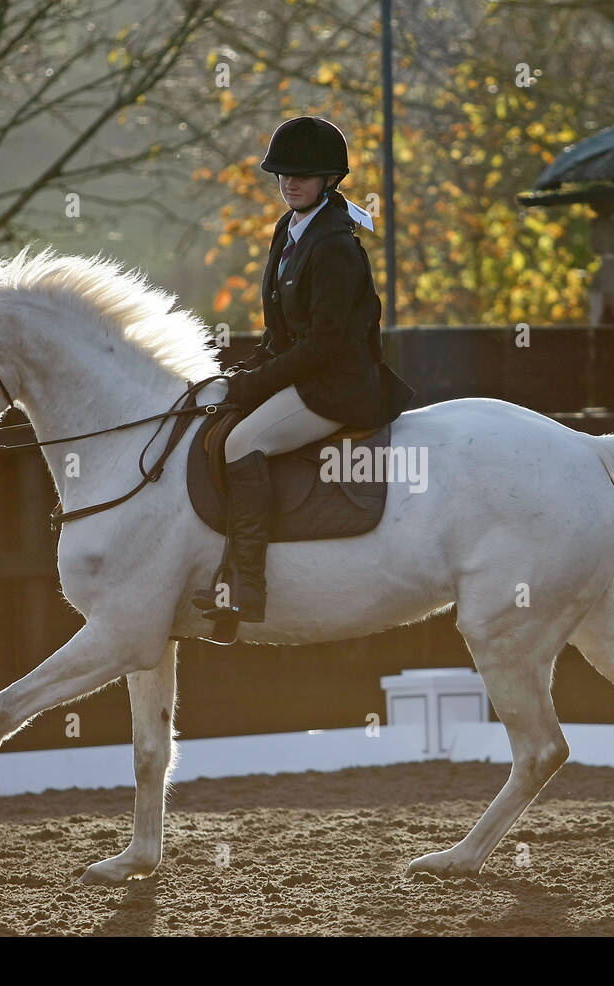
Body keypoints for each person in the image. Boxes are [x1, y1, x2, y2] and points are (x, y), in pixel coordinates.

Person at [192, 115, 416, 625]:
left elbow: (323, 344)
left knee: (241, 443)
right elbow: (281, 334)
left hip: (337, 387)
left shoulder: (335, 246)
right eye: (282, 173)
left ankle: (246, 585)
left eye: (303, 174)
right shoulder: (290, 229)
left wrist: (254, 383)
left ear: (330, 180)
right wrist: (239, 374)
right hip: (306, 375)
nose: (289, 182)